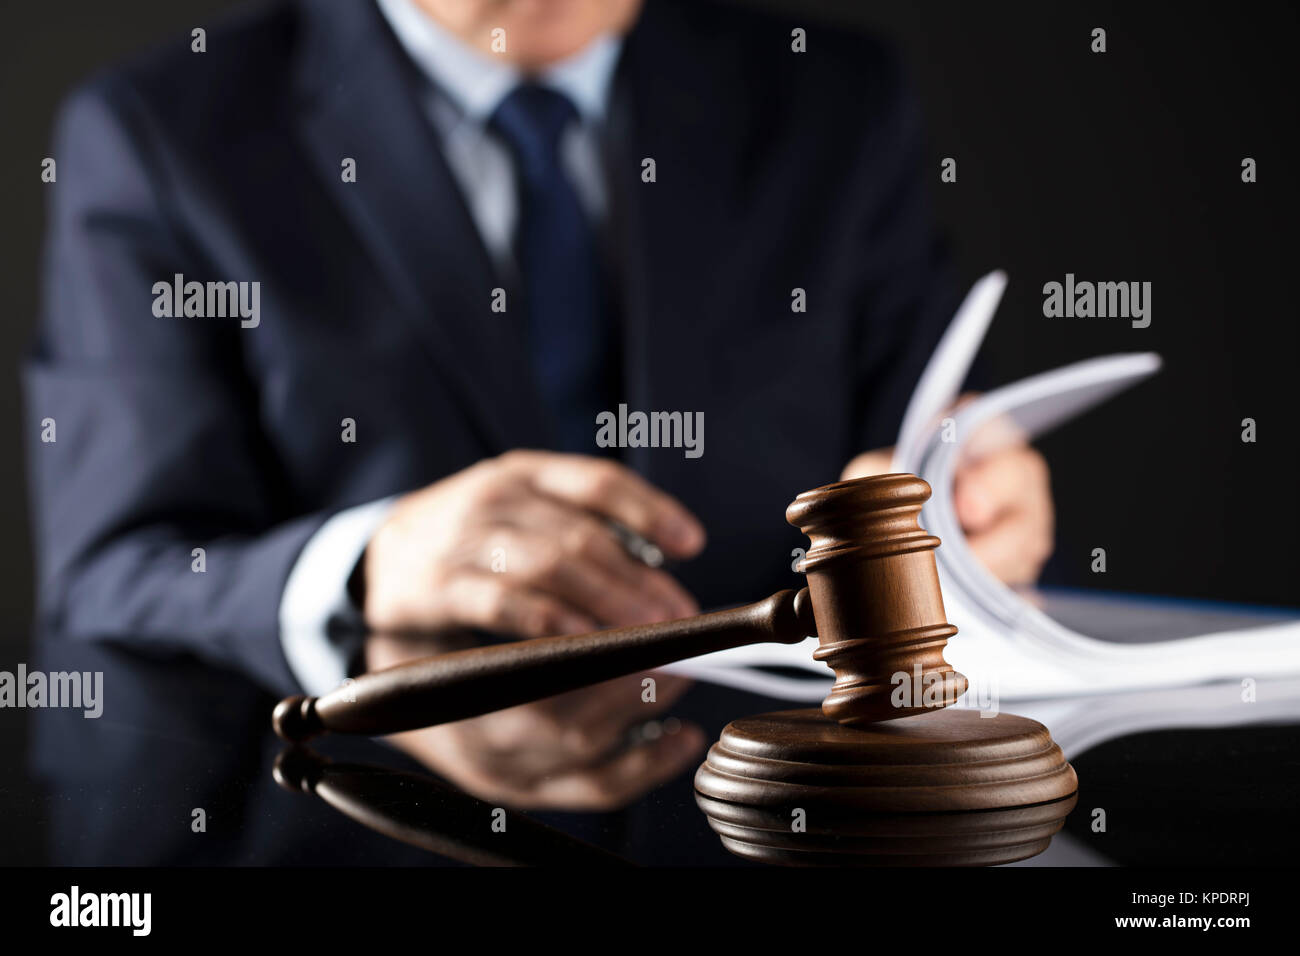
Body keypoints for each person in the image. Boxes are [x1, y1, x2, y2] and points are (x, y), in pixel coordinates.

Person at [26, 0, 1052, 824]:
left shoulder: (834, 95)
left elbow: (923, 423)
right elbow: (115, 564)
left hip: (763, 819)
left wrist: (964, 486)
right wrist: (368, 560)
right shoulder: (162, 131)